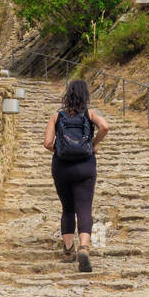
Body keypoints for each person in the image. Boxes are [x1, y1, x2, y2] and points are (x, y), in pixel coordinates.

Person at [43, 78, 109, 272]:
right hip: (85, 167)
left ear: (68, 95)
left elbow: (47, 143)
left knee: (68, 209)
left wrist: (60, 150)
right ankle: (84, 248)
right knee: (84, 209)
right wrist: (93, 144)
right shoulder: (90, 114)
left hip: (62, 168)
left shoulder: (57, 116)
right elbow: (105, 127)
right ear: (85, 95)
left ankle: (68, 250)